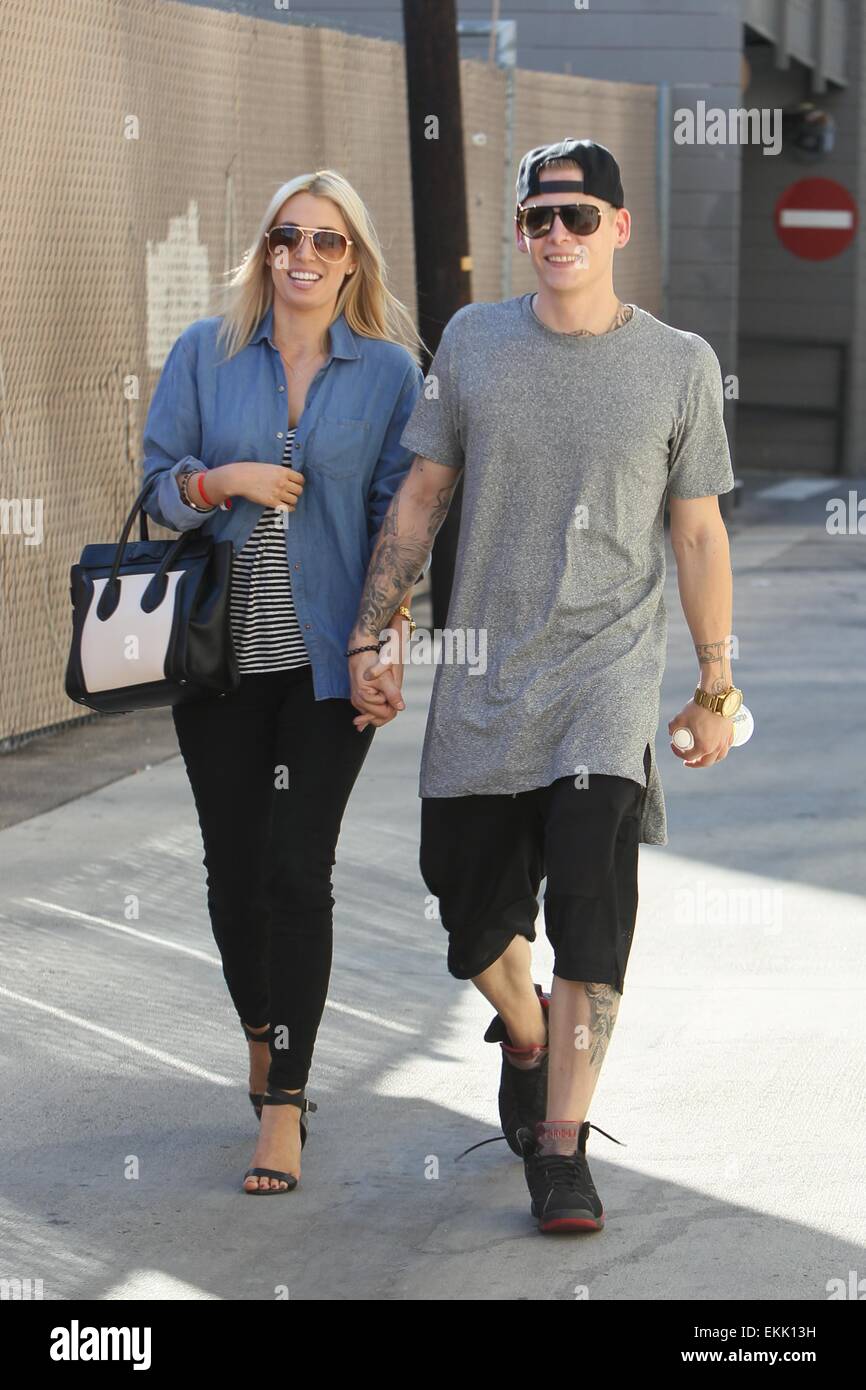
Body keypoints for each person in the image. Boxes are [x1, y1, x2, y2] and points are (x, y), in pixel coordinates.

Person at [346, 139, 741, 1233]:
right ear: (519, 233)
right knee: (468, 910)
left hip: (604, 685)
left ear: (619, 228)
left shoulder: (677, 364)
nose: (555, 236)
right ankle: (522, 1030)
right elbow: (421, 496)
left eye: (577, 217)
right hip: (482, 675)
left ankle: (561, 1144)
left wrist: (712, 681)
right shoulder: (472, 343)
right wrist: (370, 634)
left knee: (589, 907)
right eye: (535, 220)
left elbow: (697, 530)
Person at [141, 170, 425, 1195]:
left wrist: (381, 638)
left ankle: (285, 1098)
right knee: (233, 867)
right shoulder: (202, 355)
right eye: (287, 237)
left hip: (324, 663)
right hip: (215, 664)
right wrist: (223, 481)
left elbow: (404, 516)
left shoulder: (390, 373)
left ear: (355, 260)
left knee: (299, 871)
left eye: (328, 242)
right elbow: (155, 482)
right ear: (266, 248)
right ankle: (259, 1031)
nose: (304, 256)